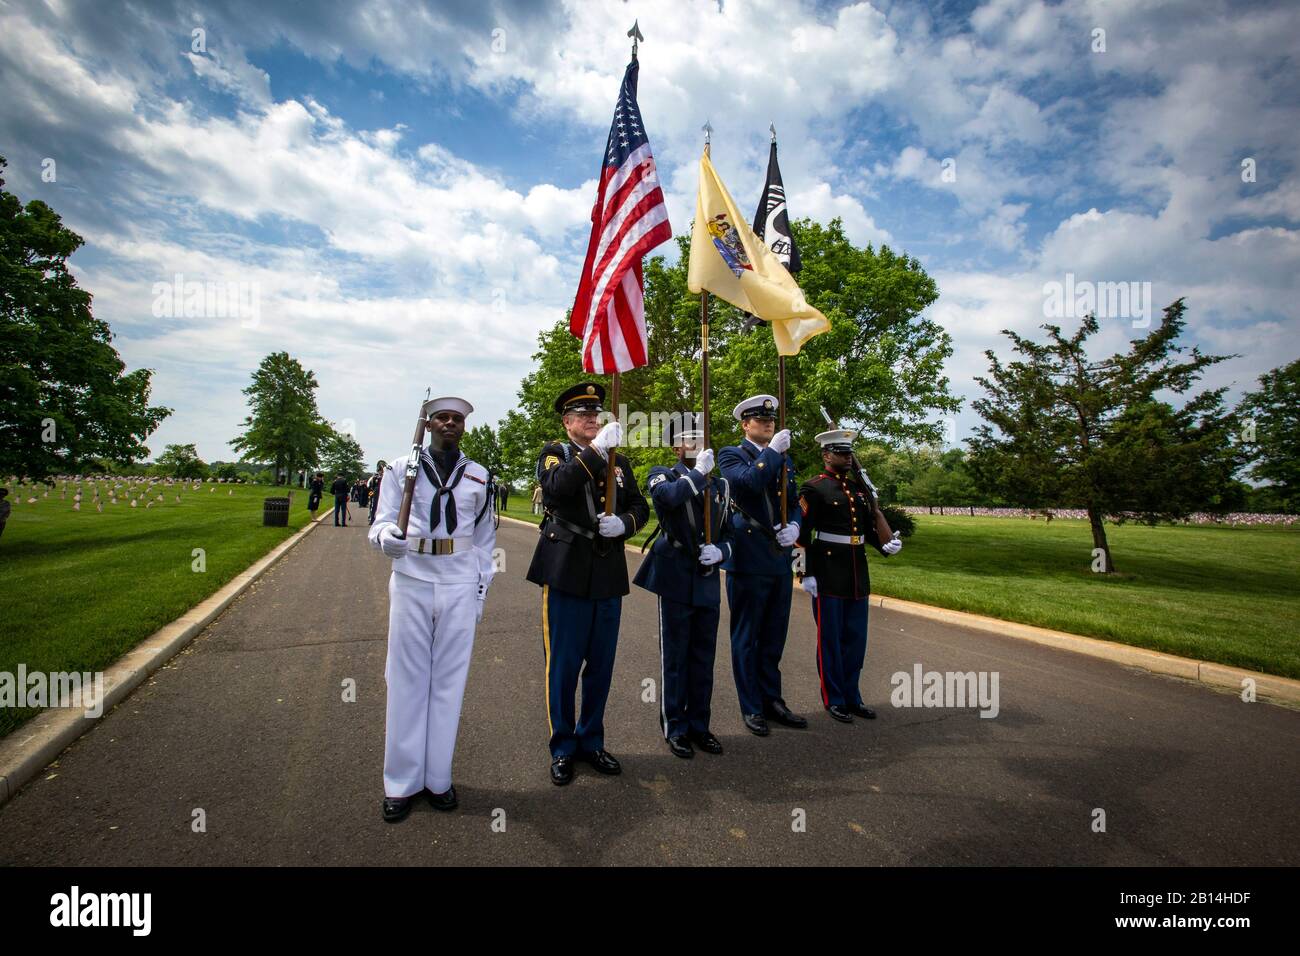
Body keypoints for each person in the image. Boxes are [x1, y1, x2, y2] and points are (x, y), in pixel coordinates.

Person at [367, 397, 498, 823]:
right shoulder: (399, 467)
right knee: (406, 679)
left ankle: (438, 778)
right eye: (442, 416)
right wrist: (386, 534)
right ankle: (401, 783)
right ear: (427, 423)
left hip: (459, 579)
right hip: (413, 578)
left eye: (457, 419)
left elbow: (484, 540)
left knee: (448, 682)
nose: (450, 423)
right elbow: (381, 520)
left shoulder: (479, 475)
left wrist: (480, 592)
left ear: (464, 427)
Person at [525, 382, 649, 786]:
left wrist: (624, 525)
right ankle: (562, 746)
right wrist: (595, 453)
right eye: (582, 414)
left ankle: (591, 740)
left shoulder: (620, 460)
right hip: (567, 569)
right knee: (562, 666)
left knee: (600, 667)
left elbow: (640, 507)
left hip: (608, 571)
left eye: (596, 413)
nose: (592, 419)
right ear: (567, 422)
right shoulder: (554, 454)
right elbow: (557, 491)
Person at [633, 416, 731, 759]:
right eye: (689, 439)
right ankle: (674, 726)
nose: (696, 443)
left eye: (700, 438)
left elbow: (731, 534)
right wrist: (698, 474)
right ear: (676, 447)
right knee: (675, 657)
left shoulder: (720, 486)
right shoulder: (663, 473)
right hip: (674, 573)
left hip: (706, 578)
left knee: (703, 656)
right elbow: (668, 498)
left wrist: (721, 551)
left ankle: (700, 725)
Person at [797, 429, 902, 722]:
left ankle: (852, 695)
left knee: (856, 640)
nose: (846, 457)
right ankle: (834, 698)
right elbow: (800, 534)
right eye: (840, 453)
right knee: (830, 640)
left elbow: (866, 529)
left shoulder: (857, 489)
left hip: (857, 572)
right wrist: (803, 572)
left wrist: (887, 544)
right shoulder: (813, 488)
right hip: (828, 573)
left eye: (849, 453)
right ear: (826, 455)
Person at [718, 394, 805, 737]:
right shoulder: (731, 454)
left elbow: (793, 500)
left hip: (777, 558)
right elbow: (748, 484)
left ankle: (773, 700)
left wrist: (796, 526)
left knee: (773, 636)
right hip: (748, 557)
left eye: (771, 419)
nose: (768, 423)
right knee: (747, 637)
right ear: (745, 424)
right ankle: (751, 706)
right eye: (760, 419)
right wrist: (771, 453)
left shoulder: (783, 457)